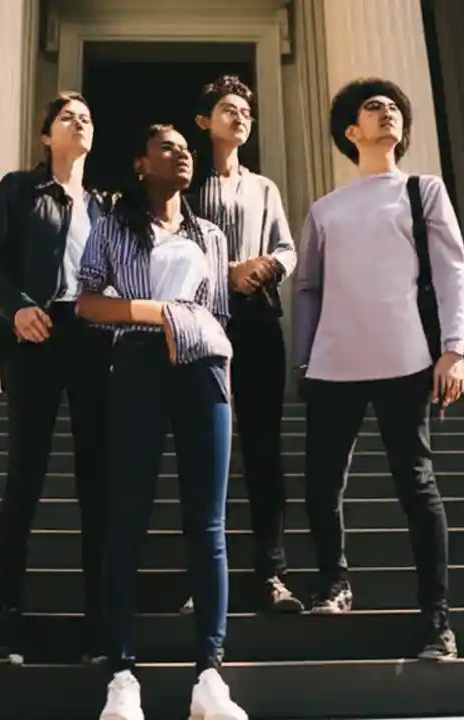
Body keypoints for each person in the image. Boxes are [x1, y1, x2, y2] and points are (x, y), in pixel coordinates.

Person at [293, 78, 464, 662]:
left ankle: (436, 619)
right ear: (352, 132)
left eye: (393, 107)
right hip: (335, 361)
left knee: (416, 485)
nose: (386, 112)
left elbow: (451, 270)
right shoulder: (326, 208)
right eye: (373, 107)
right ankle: (334, 581)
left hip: (407, 357)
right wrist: (304, 357)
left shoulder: (423, 191)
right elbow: (309, 288)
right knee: (323, 481)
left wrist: (453, 348)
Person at [77, 125, 248, 720]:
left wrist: (216, 359)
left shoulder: (211, 234)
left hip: (203, 367)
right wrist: (159, 313)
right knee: (127, 518)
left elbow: (220, 312)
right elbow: (86, 302)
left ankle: (210, 676)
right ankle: (122, 676)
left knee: (208, 523)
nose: (181, 154)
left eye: (185, 148)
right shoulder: (112, 227)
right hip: (139, 362)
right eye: (167, 147)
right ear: (141, 163)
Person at [0, 91, 113, 666]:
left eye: (86, 116)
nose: (78, 122)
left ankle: (101, 629)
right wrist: (18, 308)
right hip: (36, 333)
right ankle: (4, 629)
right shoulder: (18, 189)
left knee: (97, 485)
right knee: (24, 480)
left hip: (91, 340)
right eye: (66, 117)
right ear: (45, 136)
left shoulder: (105, 205)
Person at [184, 75, 301, 613]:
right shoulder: (187, 185)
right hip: (205, 321)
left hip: (257, 320)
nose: (240, 117)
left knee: (263, 446)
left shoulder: (264, 188)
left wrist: (266, 267)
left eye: (245, 111)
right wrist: (222, 272)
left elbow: (287, 247)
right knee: (209, 447)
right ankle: (205, 574)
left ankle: (272, 571)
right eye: (228, 110)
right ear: (205, 122)